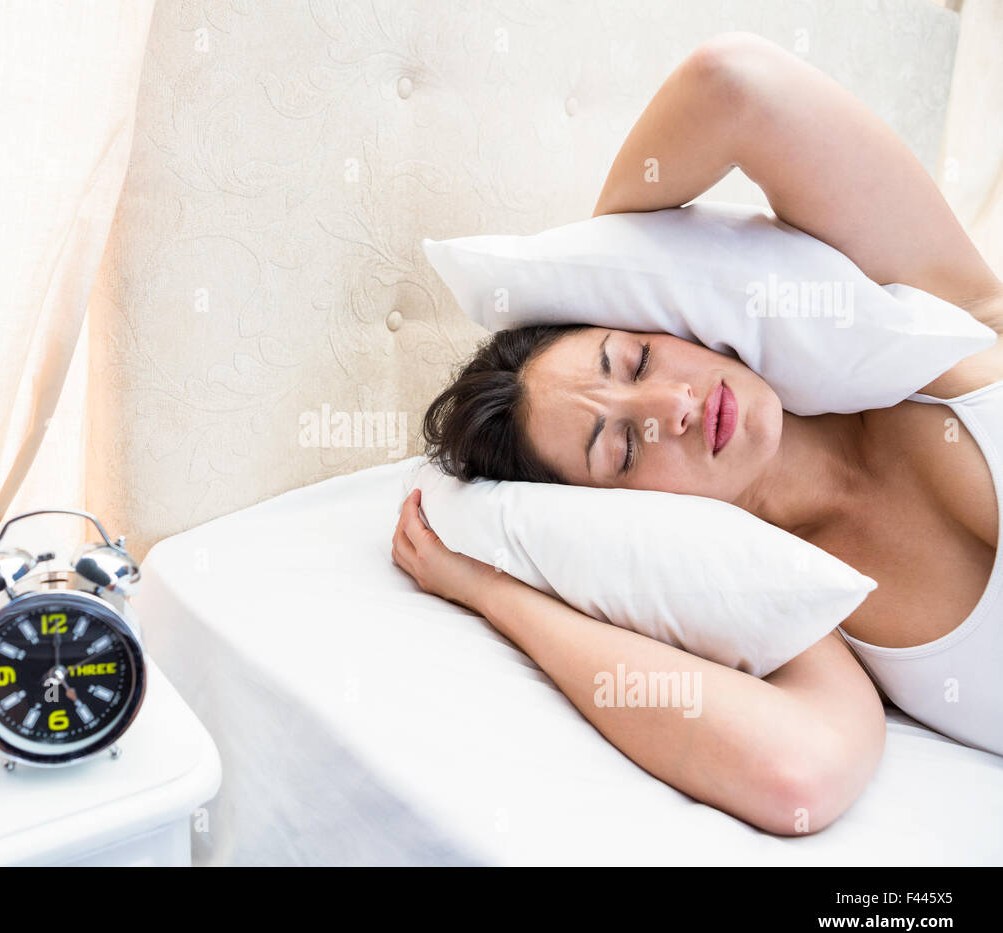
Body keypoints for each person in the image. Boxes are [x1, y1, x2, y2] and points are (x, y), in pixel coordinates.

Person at [391, 32, 1003, 835]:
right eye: (621, 449)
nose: (670, 409)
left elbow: (734, 84)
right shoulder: (799, 608)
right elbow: (797, 780)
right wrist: (492, 590)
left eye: (637, 357)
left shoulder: (949, 322)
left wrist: (612, 254)